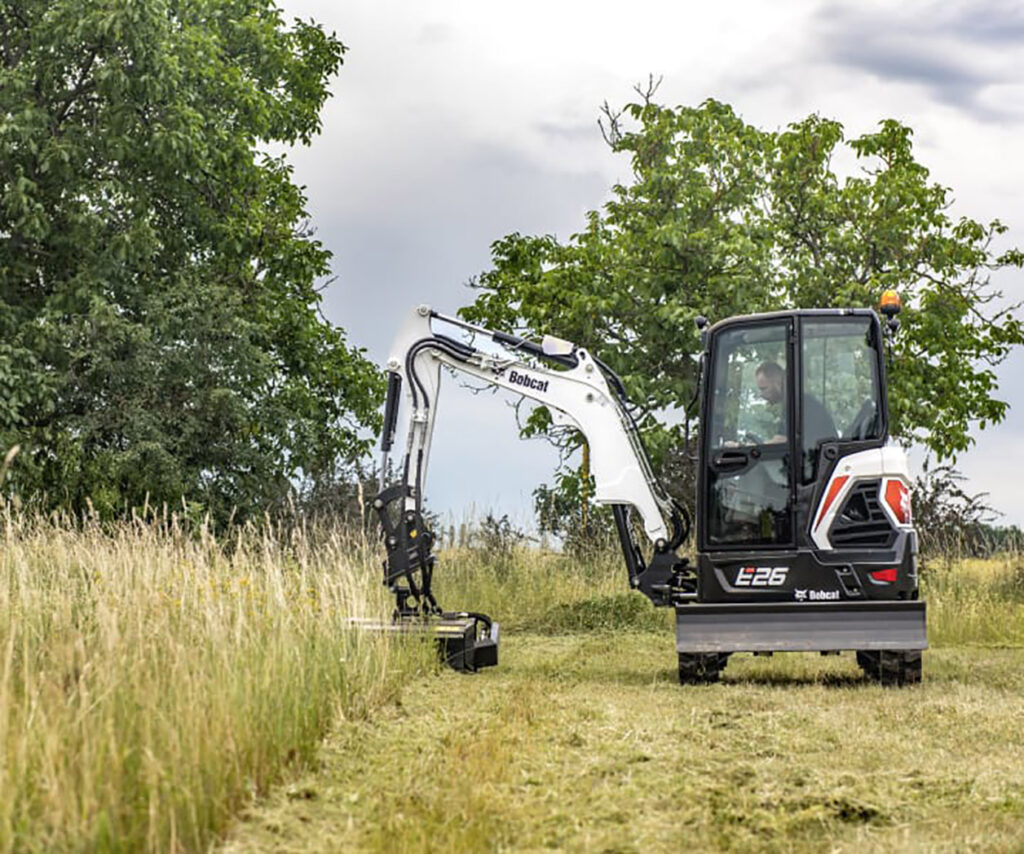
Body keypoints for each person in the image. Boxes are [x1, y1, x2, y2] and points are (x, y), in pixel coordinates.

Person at [755, 361, 836, 447]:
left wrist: (754, 447)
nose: (762, 395)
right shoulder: (797, 401)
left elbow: (781, 440)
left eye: (764, 389)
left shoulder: (797, 404)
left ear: (777, 383)